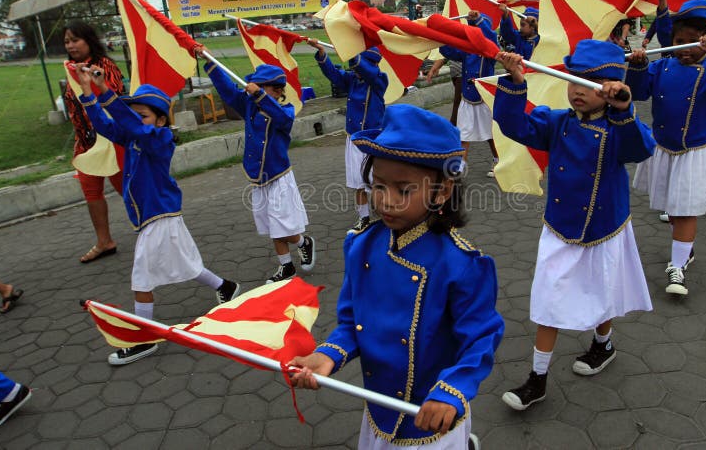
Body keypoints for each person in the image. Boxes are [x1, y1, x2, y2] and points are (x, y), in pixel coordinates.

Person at [289, 104, 504, 448]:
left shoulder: (462, 264)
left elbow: (481, 337)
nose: (386, 201)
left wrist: (452, 392)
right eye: (378, 186)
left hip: (432, 415)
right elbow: (352, 322)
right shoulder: (360, 247)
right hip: (381, 406)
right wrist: (327, 355)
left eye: (404, 191)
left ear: (442, 192)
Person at [493, 41, 655, 411]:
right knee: (548, 301)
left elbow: (639, 150)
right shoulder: (556, 122)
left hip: (605, 229)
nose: (578, 90)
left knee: (604, 293)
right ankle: (537, 378)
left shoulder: (622, 128)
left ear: (612, 87)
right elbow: (514, 124)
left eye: (590, 83)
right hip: (560, 229)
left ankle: (604, 343)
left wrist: (624, 108)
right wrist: (515, 81)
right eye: (572, 80)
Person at [77, 67, 240, 365]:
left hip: (160, 218)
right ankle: (225, 286)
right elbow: (105, 125)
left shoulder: (160, 139)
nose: (137, 120)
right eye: (134, 114)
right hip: (157, 218)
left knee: (141, 279)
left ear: (161, 120)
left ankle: (145, 337)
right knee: (187, 264)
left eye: (144, 115)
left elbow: (132, 125)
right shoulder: (135, 138)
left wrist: (107, 93)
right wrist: (89, 91)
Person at [626, 0, 706, 296]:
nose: (685, 47)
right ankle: (686, 249)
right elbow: (639, 94)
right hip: (665, 147)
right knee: (674, 203)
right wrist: (640, 67)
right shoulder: (662, 66)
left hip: (697, 149)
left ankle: (678, 267)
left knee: (684, 209)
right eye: (679, 41)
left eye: (694, 42)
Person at [200, 53, 315, 284]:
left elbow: (280, 117)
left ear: (278, 91)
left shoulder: (286, 111)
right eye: (259, 86)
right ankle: (287, 266)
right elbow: (228, 92)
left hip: (279, 176)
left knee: (281, 224)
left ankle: (303, 242)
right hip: (258, 176)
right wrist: (211, 64)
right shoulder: (249, 107)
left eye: (269, 88)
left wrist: (260, 95)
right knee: (273, 225)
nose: (257, 90)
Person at [62, 21, 125, 263]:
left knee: (126, 188)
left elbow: (112, 99)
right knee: (91, 190)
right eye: (67, 41)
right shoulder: (71, 69)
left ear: (89, 40)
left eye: (75, 39)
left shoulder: (103, 67)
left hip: (110, 140)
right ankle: (104, 241)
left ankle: (150, 228)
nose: (71, 45)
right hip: (86, 143)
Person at [309, 41, 387, 232]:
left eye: (361, 64)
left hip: (373, 140)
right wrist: (322, 54)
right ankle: (364, 217)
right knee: (357, 182)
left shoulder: (379, 79)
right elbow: (334, 74)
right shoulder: (353, 79)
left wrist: (350, 51)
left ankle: (386, 212)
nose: (355, 69)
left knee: (378, 181)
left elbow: (366, 70)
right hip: (353, 138)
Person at [439, 10, 500, 177]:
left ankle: (498, 162)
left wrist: (479, 20)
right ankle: (459, 166)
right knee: (463, 132)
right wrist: (440, 35)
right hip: (468, 97)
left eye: (477, 30)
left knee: (491, 135)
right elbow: (450, 51)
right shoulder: (467, 50)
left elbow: (492, 39)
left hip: (485, 98)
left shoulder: (491, 52)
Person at [425, 57, 463, 125]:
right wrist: (435, 68)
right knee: (461, 103)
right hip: (456, 76)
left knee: (458, 102)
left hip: (464, 75)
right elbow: (445, 55)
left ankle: (452, 127)